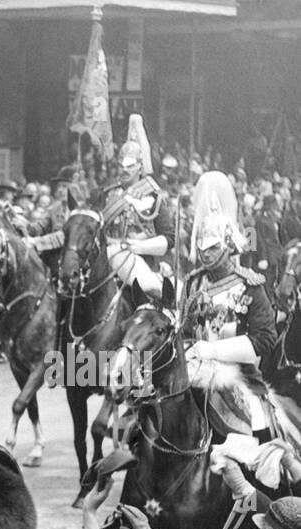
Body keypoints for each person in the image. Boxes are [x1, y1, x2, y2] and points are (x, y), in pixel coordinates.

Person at [181, 172, 282, 504]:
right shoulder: (193, 282)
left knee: (255, 417)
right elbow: (183, 330)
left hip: (236, 374)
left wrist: (213, 349)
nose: (206, 255)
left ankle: (265, 492)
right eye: (202, 248)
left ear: (228, 246)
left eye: (213, 248)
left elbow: (265, 338)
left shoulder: (250, 284)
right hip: (193, 369)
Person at [102, 115, 174, 304]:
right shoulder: (109, 195)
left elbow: (169, 237)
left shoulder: (153, 197)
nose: (125, 170)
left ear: (140, 166)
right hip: (107, 260)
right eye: (121, 165)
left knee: (151, 289)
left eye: (130, 166)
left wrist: (136, 247)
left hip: (140, 262)